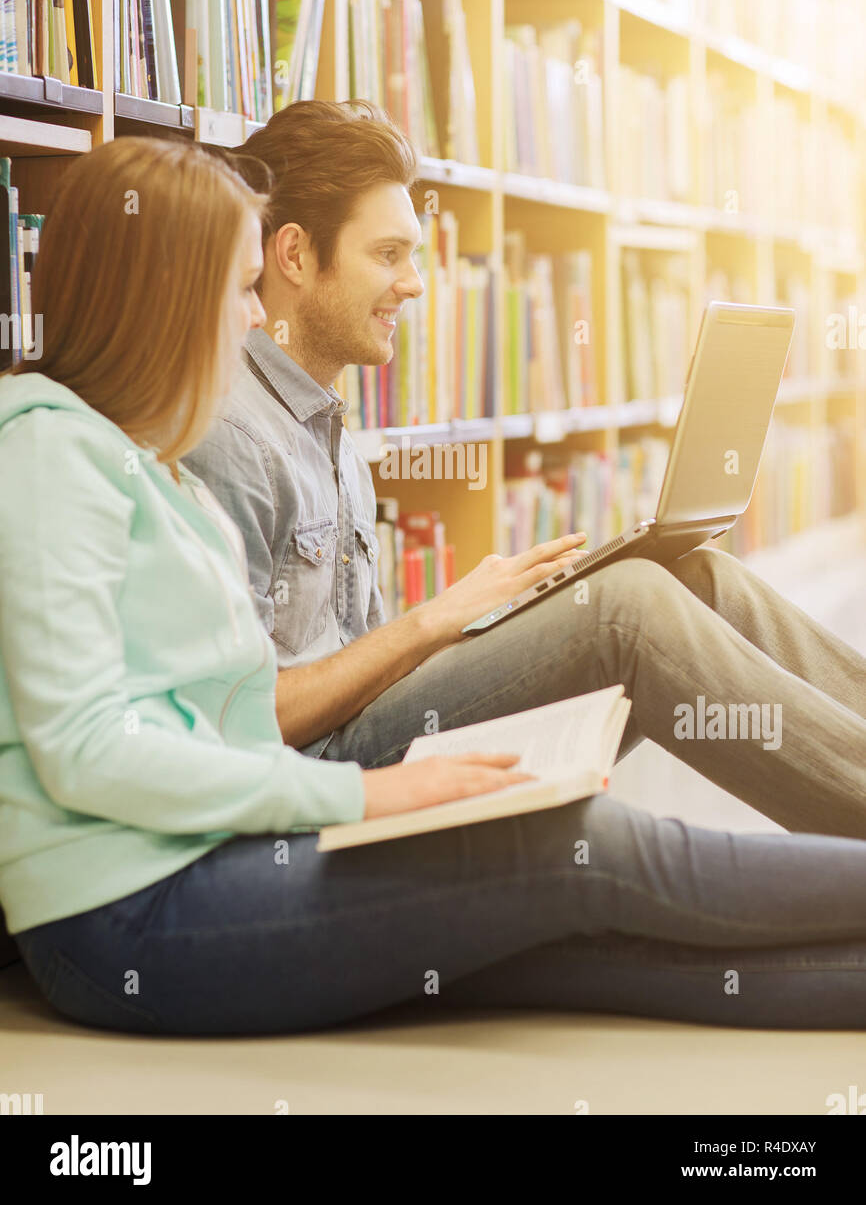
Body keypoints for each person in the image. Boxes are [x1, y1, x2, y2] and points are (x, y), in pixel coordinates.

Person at [3, 133, 866, 1040]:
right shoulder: (52, 451)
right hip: (128, 913)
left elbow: (227, 717)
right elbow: (91, 748)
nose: (255, 318)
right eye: (238, 288)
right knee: (571, 848)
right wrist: (367, 795)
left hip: (215, 849)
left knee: (566, 937)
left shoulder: (153, 465)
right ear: (167, 300)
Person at [185, 99, 866, 843]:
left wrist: (498, 626)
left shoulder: (328, 427)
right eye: (388, 255)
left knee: (698, 576)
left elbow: (361, 660)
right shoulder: (229, 436)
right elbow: (243, 718)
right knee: (626, 608)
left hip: (373, 727)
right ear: (293, 256)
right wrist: (433, 622)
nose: (414, 283)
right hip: (327, 779)